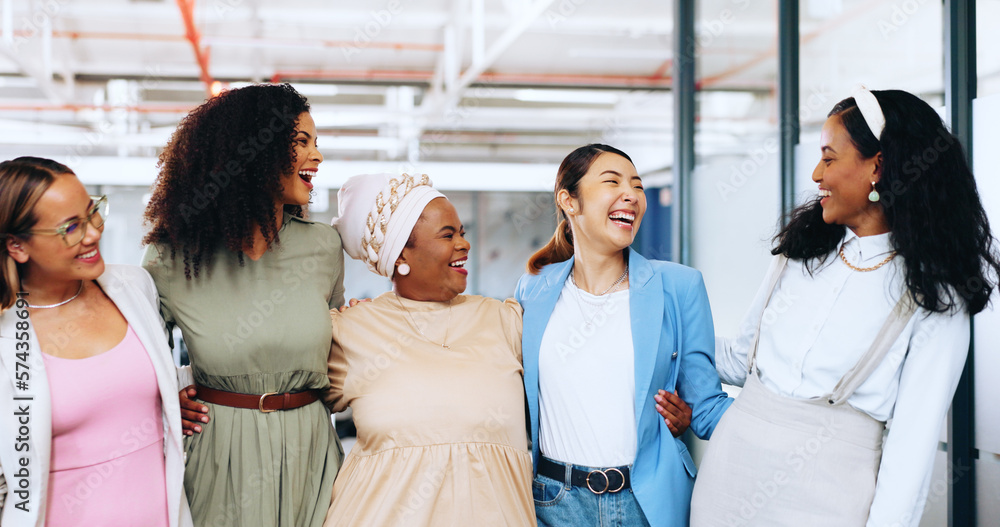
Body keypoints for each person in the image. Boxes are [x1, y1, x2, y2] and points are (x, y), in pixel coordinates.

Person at [686, 89, 1000, 527]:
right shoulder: (798, 255)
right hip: (725, 485)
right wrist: (666, 333)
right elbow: (741, 360)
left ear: (878, 166)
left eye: (829, 159)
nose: (816, 174)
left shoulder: (934, 296)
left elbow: (910, 451)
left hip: (826, 504)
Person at [142, 84, 345, 527]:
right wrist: (159, 401)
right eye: (302, 143)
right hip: (220, 456)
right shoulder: (171, 258)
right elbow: (132, 360)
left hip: (312, 453)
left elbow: (341, 354)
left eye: (317, 143)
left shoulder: (324, 247)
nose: (318, 157)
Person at [516, 144, 733, 527]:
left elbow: (707, 407)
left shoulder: (679, 286)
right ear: (569, 201)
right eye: (612, 182)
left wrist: (791, 422)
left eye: (637, 185)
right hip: (553, 503)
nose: (631, 195)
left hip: (647, 503)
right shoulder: (532, 291)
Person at [322, 173, 535, 526]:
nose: (464, 244)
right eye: (448, 235)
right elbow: (279, 398)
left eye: (463, 232)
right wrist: (195, 395)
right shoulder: (350, 329)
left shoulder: (506, 321)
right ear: (402, 251)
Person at [0, 157, 193, 526]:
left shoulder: (134, 287)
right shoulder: (5, 336)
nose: (92, 233)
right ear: (17, 246)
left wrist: (170, 397)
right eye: (70, 227)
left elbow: (132, 388)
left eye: (92, 213)